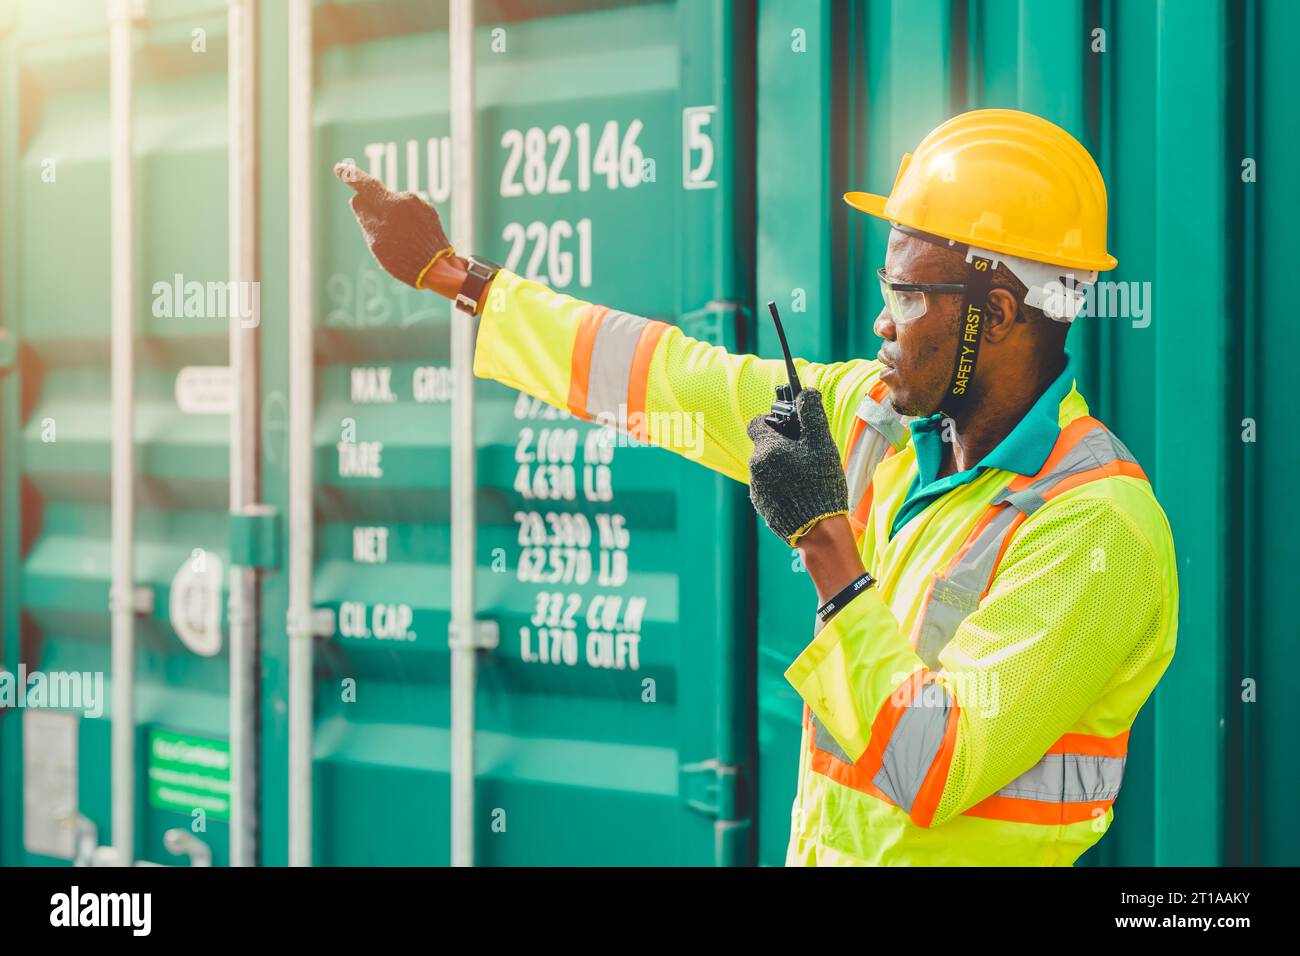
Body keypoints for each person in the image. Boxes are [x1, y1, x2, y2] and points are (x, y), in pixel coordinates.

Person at [336, 108, 1178, 866]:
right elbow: (672, 381)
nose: (882, 320)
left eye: (910, 295)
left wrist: (826, 546)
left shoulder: (1095, 529)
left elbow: (932, 767)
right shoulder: (876, 417)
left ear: (996, 316)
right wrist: (458, 277)